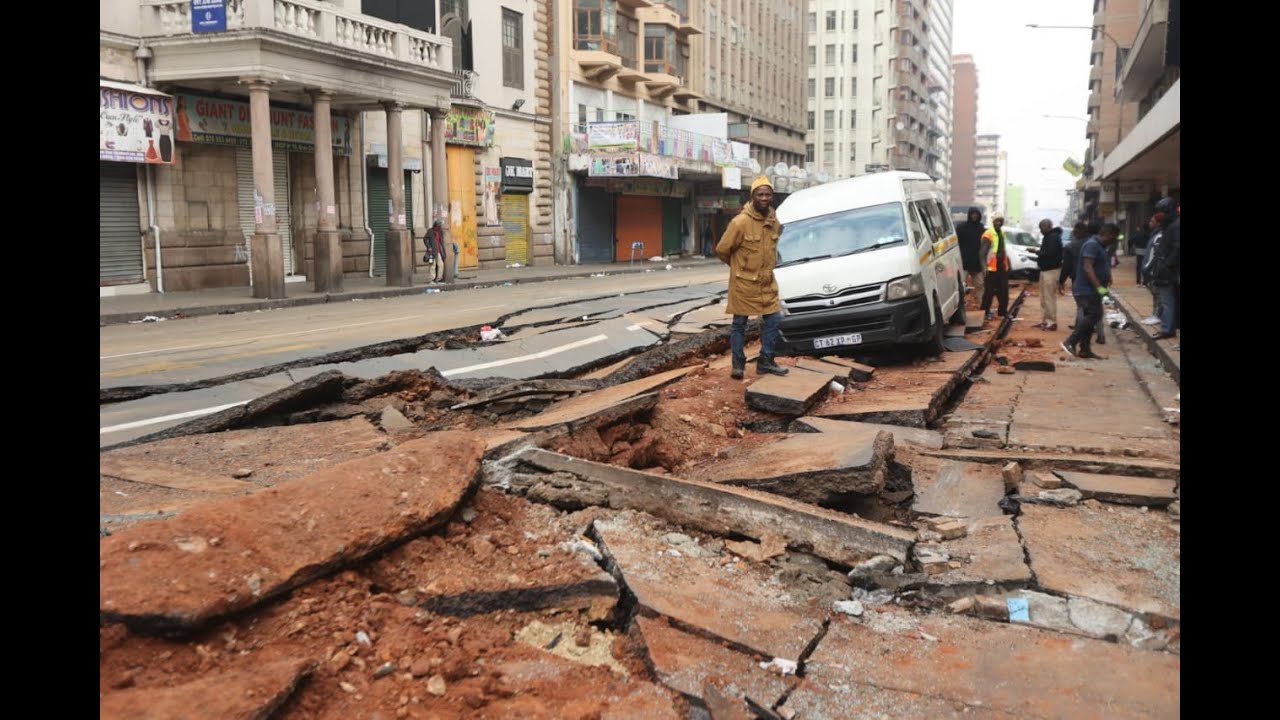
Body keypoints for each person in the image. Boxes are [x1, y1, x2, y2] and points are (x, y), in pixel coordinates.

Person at [716, 175, 789, 379]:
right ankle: (738, 365)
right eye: (760, 194)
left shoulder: (773, 220)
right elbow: (722, 250)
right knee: (740, 323)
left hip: (766, 283)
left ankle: (766, 361)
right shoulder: (739, 222)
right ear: (753, 197)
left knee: (774, 319)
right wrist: (739, 267)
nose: (764, 198)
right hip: (744, 285)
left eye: (768, 194)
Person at [1061, 222, 1119, 360]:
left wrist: (1107, 276)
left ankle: (1085, 349)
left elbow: (1100, 264)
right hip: (1086, 289)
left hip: (1090, 289)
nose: (1114, 241)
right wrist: (1099, 287)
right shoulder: (1092, 245)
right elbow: (1088, 267)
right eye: (1114, 238)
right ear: (1107, 234)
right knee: (1094, 314)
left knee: (1091, 316)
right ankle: (1071, 341)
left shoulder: (1099, 246)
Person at [1146, 197, 1179, 340]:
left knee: (1167, 301)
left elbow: (1177, 248)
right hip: (1166, 269)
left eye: (1161, 212)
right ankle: (1168, 327)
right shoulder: (1169, 226)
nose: (1158, 216)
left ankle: (1167, 329)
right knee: (1167, 300)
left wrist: (1167, 264)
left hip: (1169, 271)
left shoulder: (1175, 226)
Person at [1030, 219, 1064, 330]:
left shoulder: (1053, 237)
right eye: (1040, 227)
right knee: (1044, 298)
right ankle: (1044, 321)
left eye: (1043, 227)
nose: (1041, 230)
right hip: (1045, 271)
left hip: (1051, 271)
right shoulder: (1049, 237)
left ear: (1049, 226)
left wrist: (1036, 252)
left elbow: (1049, 253)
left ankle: (1052, 322)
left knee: (1049, 297)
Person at [979, 214, 1010, 321]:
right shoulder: (988, 234)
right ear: (993, 221)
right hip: (991, 268)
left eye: (1000, 221)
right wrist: (984, 269)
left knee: (1004, 290)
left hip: (1001, 267)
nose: (999, 223)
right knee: (989, 292)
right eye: (997, 221)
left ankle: (1003, 311)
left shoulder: (1002, 233)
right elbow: (982, 254)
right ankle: (985, 311)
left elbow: (1003, 249)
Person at [956, 207, 986, 300]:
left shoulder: (981, 228)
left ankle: (983, 307)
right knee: (961, 287)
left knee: (980, 285)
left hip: (977, 263)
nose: (974, 216)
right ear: (969, 215)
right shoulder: (961, 228)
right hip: (963, 262)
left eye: (976, 214)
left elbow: (984, 246)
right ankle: (960, 306)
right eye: (973, 214)